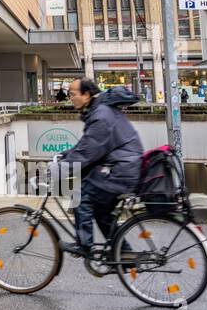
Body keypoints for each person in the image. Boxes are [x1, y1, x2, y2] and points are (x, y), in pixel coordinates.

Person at [57, 77, 144, 258]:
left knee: (81, 197)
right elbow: (86, 145)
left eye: (73, 94)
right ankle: (124, 252)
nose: (70, 98)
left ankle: (84, 245)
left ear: (86, 95)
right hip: (122, 167)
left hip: (121, 170)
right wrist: (65, 155)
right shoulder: (98, 111)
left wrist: (59, 169)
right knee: (101, 210)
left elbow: (87, 152)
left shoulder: (100, 115)